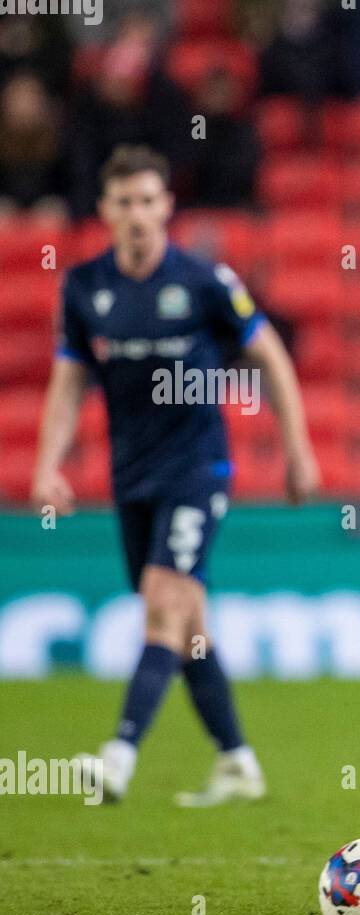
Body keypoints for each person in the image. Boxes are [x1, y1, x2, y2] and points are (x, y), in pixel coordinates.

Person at [30, 145, 320, 805]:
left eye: (147, 200)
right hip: (131, 476)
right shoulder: (82, 288)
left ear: (167, 207)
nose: (136, 213)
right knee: (186, 624)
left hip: (197, 468)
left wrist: (297, 449)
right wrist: (48, 464)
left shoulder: (204, 281)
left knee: (163, 602)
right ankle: (238, 761)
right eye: (123, 201)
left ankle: (119, 755)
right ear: (104, 209)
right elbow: (70, 382)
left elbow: (269, 355)